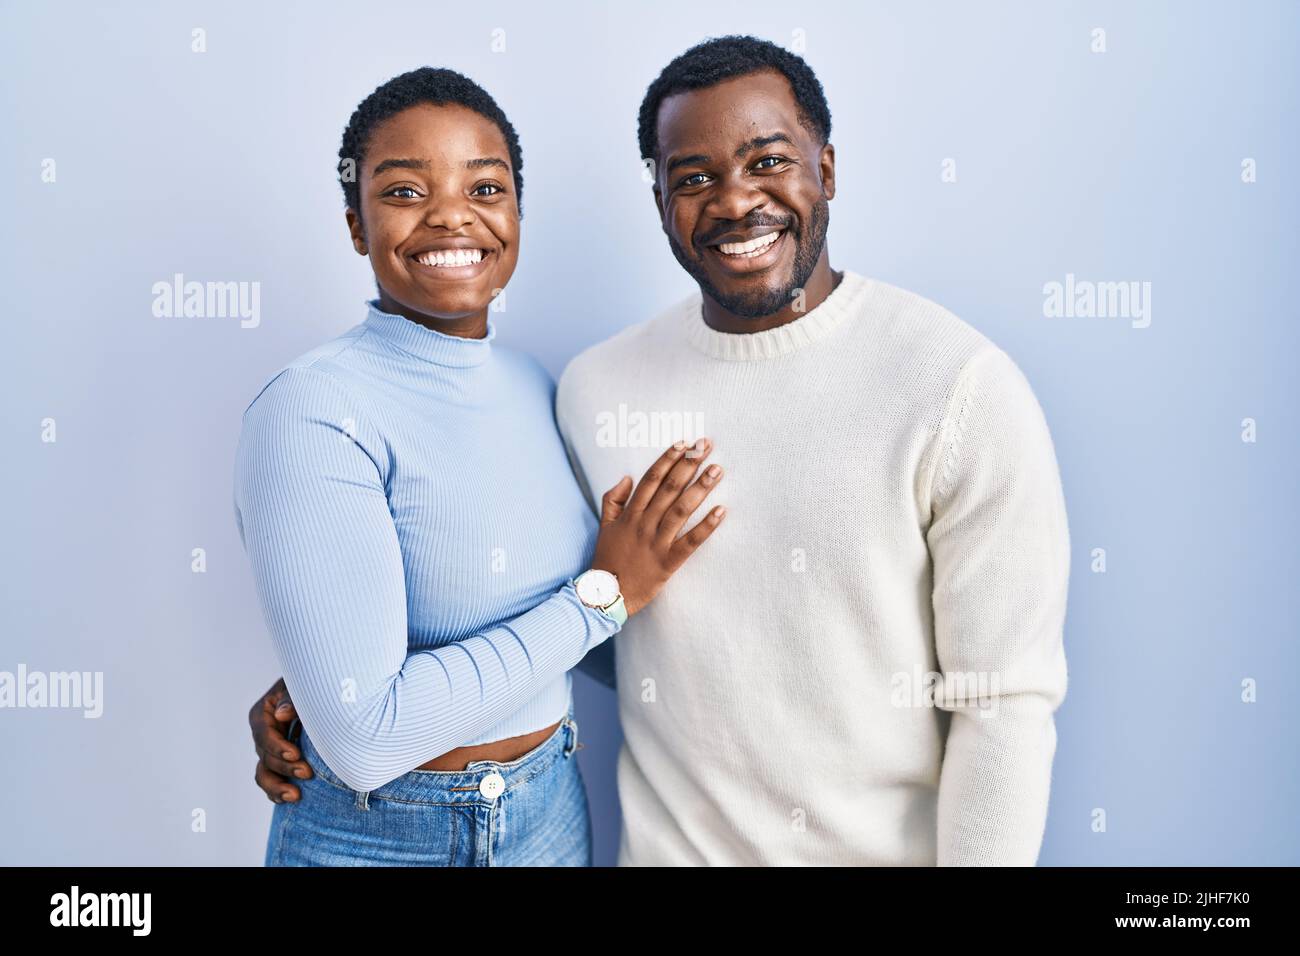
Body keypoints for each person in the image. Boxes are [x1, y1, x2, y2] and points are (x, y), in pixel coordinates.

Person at [253, 35, 1070, 866]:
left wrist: (356, 704)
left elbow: (1003, 704)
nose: (735, 201)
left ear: (828, 167)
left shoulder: (957, 387)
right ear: (658, 198)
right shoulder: (596, 387)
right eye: (694, 178)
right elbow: (614, 616)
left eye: (768, 161)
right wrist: (345, 696)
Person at [234, 66, 725, 867]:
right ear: (356, 225)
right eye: (402, 191)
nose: (451, 215)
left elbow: (571, 639)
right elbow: (365, 741)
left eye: (485, 187)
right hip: (382, 836)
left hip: (551, 810)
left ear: (517, 215)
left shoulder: (540, 388)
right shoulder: (311, 410)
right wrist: (602, 597)